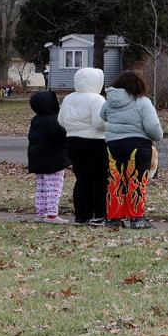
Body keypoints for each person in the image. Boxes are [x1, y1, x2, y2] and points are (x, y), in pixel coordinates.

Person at [102, 70, 164, 230]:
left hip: (113, 145)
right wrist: (158, 136)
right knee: (136, 181)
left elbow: (102, 116)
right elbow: (153, 127)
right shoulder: (143, 101)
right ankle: (136, 218)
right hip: (138, 146)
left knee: (115, 182)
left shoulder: (109, 101)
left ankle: (114, 219)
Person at [58, 67, 108, 225]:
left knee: (82, 179)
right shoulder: (97, 99)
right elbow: (99, 124)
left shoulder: (69, 98)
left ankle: (81, 215)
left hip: (72, 141)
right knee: (99, 179)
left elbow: (61, 120)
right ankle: (99, 214)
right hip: (95, 141)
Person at [26, 90, 70, 224]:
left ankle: (40, 213)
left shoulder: (36, 120)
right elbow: (61, 137)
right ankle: (51, 215)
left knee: (41, 187)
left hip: (37, 158)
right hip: (54, 160)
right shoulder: (55, 120)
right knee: (53, 187)